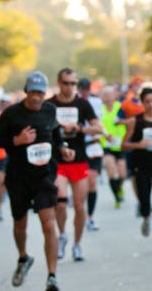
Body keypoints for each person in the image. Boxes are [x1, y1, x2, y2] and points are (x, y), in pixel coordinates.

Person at [0, 71, 75, 291]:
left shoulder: (49, 110)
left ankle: (52, 278)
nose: (37, 97)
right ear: (27, 91)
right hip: (18, 177)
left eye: (40, 93)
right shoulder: (11, 114)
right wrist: (16, 141)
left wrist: (63, 147)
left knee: (48, 225)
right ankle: (23, 257)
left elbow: (55, 134)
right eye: (33, 92)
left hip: (44, 176)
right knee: (20, 225)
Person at [47, 68, 103, 262]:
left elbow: (99, 128)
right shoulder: (50, 104)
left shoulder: (82, 103)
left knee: (80, 206)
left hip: (79, 159)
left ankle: (77, 244)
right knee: (60, 201)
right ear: (59, 83)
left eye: (73, 84)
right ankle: (62, 234)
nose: (70, 87)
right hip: (57, 161)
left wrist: (79, 128)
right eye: (66, 83)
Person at [122, 87, 152, 253]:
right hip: (142, 164)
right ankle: (146, 216)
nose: (150, 105)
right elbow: (124, 144)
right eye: (147, 101)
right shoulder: (136, 121)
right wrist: (139, 145)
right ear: (142, 103)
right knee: (144, 200)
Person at [78, 78, 105, 232]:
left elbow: (98, 126)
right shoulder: (75, 103)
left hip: (94, 145)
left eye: (87, 89)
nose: (84, 92)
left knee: (92, 181)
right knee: (82, 186)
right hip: (80, 147)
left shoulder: (96, 103)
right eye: (82, 89)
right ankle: (81, 214)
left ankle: (90, 217)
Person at [99, 86, 127, 209]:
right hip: (106, 144)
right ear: (102, 97)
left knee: (122, 174)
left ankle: (119, 187)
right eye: (105, 94)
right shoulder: (100, 110)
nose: (108, 97)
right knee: (111, 170)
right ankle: (116, 196)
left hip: (120, 144)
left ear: (115, 95)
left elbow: (128, 122)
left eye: (110, 94)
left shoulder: (120, 108)